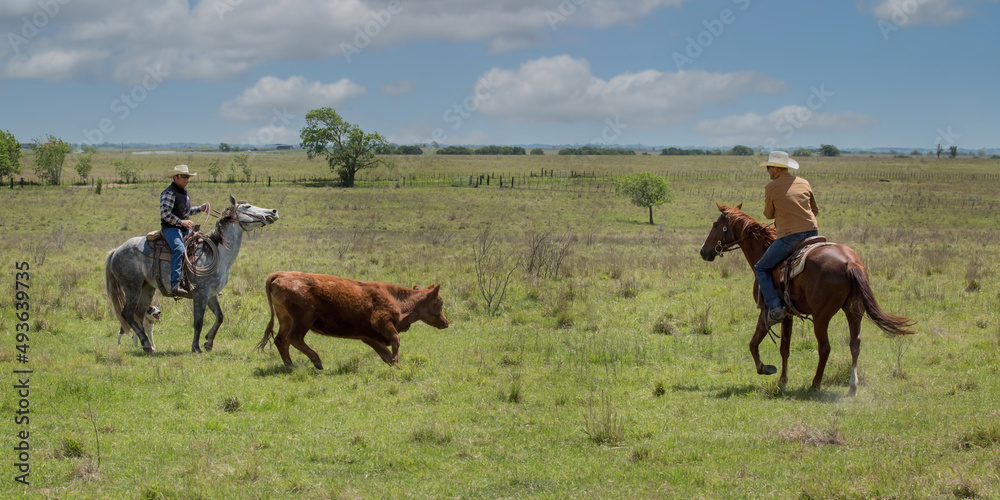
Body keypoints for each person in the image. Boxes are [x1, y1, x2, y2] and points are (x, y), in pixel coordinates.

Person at [753, 151, 819, 327]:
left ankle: (775, 309)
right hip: (813, 234)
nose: (768, 171)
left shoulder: (771, 188)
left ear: (775, 168)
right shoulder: (804, 183)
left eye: (768, 168)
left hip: (789, 237)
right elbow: (815, 210)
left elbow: (767, 214)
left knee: (760, 268)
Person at [160, 165, 210, 296]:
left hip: (183, 229)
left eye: (188, 177)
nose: (187, 179)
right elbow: (165, 214)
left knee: (199, 246)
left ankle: (193, 280)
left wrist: (201, 208)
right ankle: (175, 283)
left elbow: (186, 212)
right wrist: (182, 222)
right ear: (176, 177)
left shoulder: (184, 192)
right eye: (184, 176)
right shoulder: (169, 193)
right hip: (171, 228)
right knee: (179, 249)